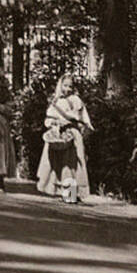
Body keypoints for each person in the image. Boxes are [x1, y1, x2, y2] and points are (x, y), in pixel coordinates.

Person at [36, 72, 93, 202]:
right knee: (58, 164)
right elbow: (48, 118)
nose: (67, 89)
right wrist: (53, 123)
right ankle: (58, 190)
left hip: (72, 134)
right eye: (65, 85)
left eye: (70, 86)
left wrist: (70, 121)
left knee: (71, 165)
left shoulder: (76, 100)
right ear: (60, 85)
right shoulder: (55, 100)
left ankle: (71, 194)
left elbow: (81, 118)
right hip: (58, 134)